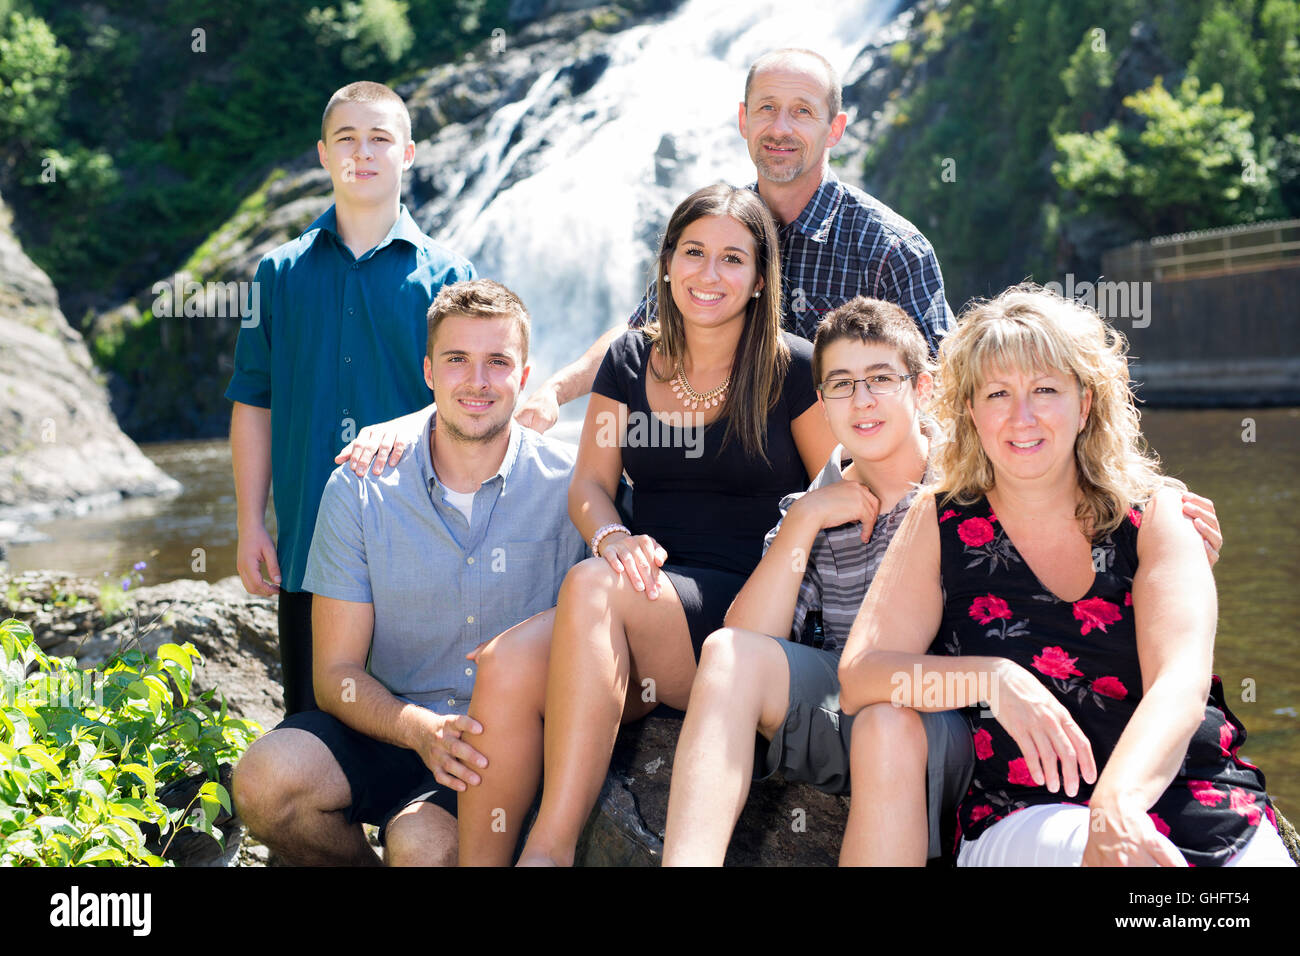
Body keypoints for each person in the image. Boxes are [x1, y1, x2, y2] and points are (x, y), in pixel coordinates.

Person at [662, 298, 1226, 867]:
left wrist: (1167, 528)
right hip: (861, 700)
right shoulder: (815, 506)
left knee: (888, 721)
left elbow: (1075, 481)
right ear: (822, 402)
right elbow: (748, 643)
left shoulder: (973, 475)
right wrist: (805, 521)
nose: (862, 399)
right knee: (728, 653)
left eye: (881, 379)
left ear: (923, 387)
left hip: (949, 725)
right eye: (842, 384)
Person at [837, 284, 1292, 867]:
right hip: (1028, 809)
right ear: (971, 411)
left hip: (1194, 793)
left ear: (1085, 403)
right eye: (997, 393)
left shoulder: (1159, 516)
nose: (1021, 417)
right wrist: (992, 679)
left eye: (1045, 389)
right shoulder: (939, 520)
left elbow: (1181, 682)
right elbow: (861, 675)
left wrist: (1117, 807)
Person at [333, 47, 953, 472]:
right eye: (766, 108)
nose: (780, 127)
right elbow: (639, 333)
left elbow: (943, 387)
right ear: (743, 120)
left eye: (802, 112)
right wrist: (552, 392)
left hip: (841, 489)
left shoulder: (889, 248)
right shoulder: (716, 232)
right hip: (715, 479)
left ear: (835, 129)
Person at [456, 183, 838, 866]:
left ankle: (549, 851)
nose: (708, 273)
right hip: (642, 590)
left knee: (592, 585)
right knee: (506, 665)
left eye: (732, 258)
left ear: (759, 279)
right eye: (693, 252)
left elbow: (835, 491)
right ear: (666, 263)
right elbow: (590, 487)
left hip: (746, 614)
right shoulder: (628, 360)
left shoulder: (795, 369)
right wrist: (613, 536)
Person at [230, 279, 586, 866]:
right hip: (392, 723)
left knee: (421, 846)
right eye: (457, 360)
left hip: (506, 746)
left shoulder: (574, 486)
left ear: (524, 377)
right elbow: (336, 675)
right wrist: (419, 730)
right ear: (428, 372)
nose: (477, 381)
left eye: (497, 362)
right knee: (266, 781)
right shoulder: (359, 488)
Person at [226, 81, 475, 715]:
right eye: (346, 139)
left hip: (421, 546)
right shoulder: (277, 274)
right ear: (322, 154)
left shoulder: (451, 277)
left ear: (408, 153)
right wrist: (251, 524)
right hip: (309, 547)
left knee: (419, 733)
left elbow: (475, 404)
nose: (362, 153)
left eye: (379, 139)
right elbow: (254, 402)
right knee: (311, 730)